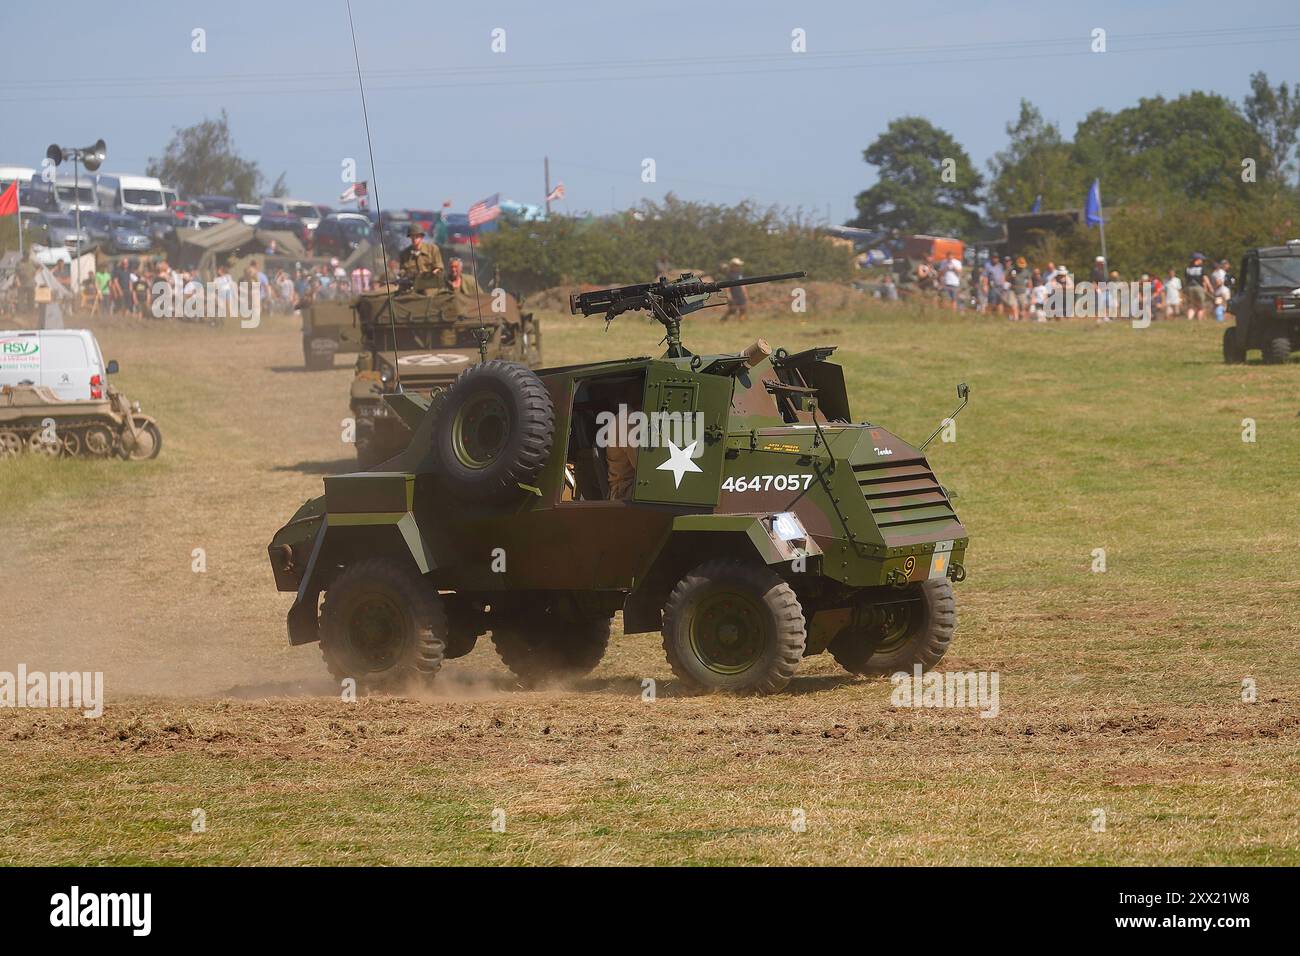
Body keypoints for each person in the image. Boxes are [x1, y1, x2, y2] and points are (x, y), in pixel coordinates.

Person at [398, 223, 444, 292]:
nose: (414, 239)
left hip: (431, 285)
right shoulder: (405, 254)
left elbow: (439, 268)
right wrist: (407, 276)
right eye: (412, 236)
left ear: (422, 237)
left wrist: (429, 276)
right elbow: (402, 271)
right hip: (411, 286)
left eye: (417, 236)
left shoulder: (432, 249)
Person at [721, 257, 748, 321]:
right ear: (733, 265)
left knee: (743, 308)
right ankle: (723, 319)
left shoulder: (739, 274)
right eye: (737, 265)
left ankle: (741, 322)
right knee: (733, 309)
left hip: (740, 293)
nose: (738, 267)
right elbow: (727, 286)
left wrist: (745, 293)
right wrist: (728, 294)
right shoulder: (729, 274)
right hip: (733, 294)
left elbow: (742, 284)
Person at [1185, 254, 1208, 320]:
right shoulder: (1201, 268)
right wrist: (1207, 288)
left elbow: (1186, 279)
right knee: (1200, 306)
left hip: (1189, 288)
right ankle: (1199, 320)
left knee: (1191, 306)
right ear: (1197, 260)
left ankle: (1189, 319)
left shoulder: (1188, 269)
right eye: (1201, 259)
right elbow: (1205, 279)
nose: (1202, 261)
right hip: (1199, 288)